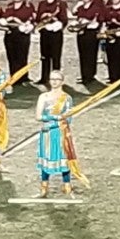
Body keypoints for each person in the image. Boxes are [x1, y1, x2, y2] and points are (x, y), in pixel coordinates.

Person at [34, 70, 80, 198]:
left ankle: (68, 188)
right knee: (46, 160)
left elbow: (69, 118)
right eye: (52, 79)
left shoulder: (67, 98)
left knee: (64, 160)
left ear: (62, 82)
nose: (54, 82)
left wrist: (55, 122)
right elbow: (38, 116)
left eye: (57, 79)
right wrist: (55, 118)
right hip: (47, 133)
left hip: (61, 132)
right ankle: (44, 189)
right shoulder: (43, 97)